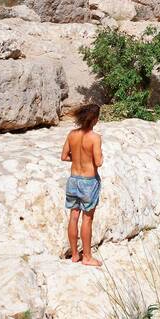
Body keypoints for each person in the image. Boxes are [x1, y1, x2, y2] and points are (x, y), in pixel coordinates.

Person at [61, 104, 103, 267]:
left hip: (73, 180)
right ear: (94, 119)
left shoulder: (72, 134)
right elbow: (98, 162)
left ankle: (75, 255)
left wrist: (78, 159)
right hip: (88, 182)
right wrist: (97, 158)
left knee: (73, 216)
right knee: (87, 219)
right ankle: (87, 257)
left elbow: (64, 156)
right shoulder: (95, 137)